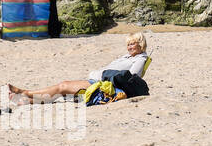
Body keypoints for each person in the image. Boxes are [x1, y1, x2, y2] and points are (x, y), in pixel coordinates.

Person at [9, 32, 149, 105]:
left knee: (63, 86)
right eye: (128, 44)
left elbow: (132, 77)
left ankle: (25, 92)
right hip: (98, 79)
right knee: (63, 92)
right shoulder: (127, 57)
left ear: (140, 44)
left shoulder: (140, 59)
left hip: (104, 85)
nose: (129, 47)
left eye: (132, 44)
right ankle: (27, 101)